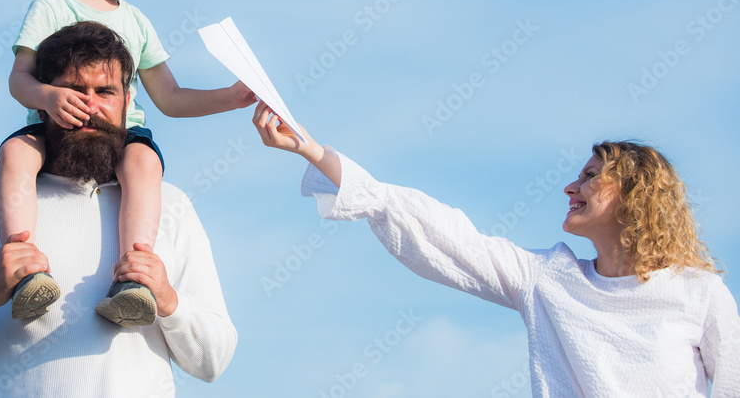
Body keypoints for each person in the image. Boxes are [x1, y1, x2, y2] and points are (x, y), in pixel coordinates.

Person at [252, 101, 740, 397]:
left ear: (635, 195)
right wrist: (312, 151)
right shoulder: (550, 280)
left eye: (591, 177)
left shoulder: (699, 294)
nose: (571, 186)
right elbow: (442, 233)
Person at [0, 23, 237, 396]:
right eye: (74, 91)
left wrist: (168, 299)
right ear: (43, 102)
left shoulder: (170, 204)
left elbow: (214, 359)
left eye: (105, 92)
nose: (89, 106)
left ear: (127, 103)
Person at [0, 0, 254, 322]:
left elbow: (169, 98)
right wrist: (49, 95)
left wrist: (230, 97)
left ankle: (133, 279)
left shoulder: (137, 23)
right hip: (55, 130)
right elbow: (19, 80)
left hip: (117, 135)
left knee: (145, 163)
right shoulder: (51, 8)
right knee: (15, 152)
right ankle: (23, 268)